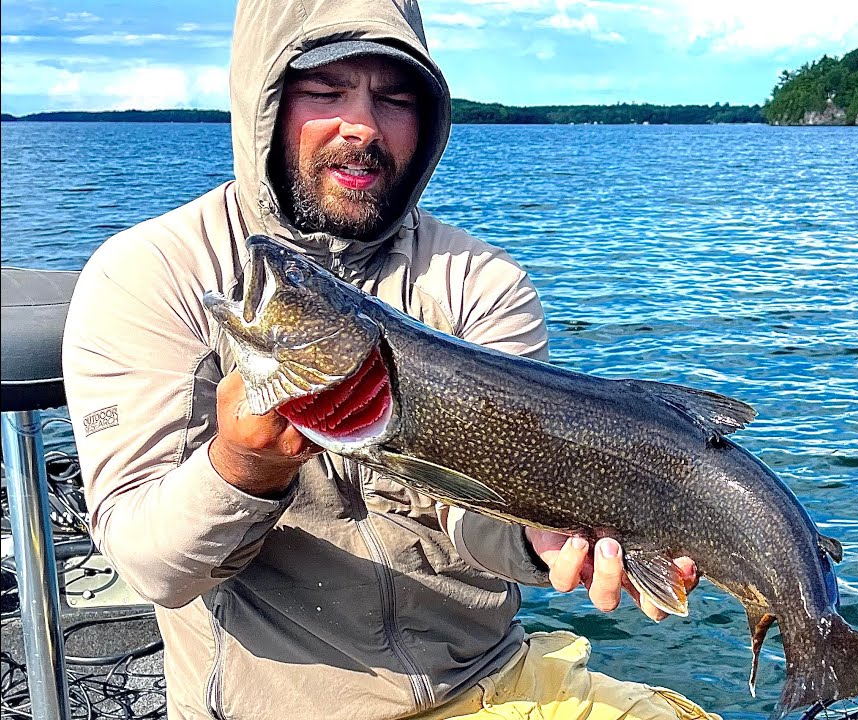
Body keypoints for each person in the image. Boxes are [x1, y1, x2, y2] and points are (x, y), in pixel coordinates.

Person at [61, 1, 713, 718]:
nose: (363, 126)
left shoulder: (478, 281)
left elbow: (468, 515)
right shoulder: (149, 274)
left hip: (493, 681)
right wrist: (242, 468)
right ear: (265, 101)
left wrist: (538, 533)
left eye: (395, 99)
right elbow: (150, 565)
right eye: (324, 91)